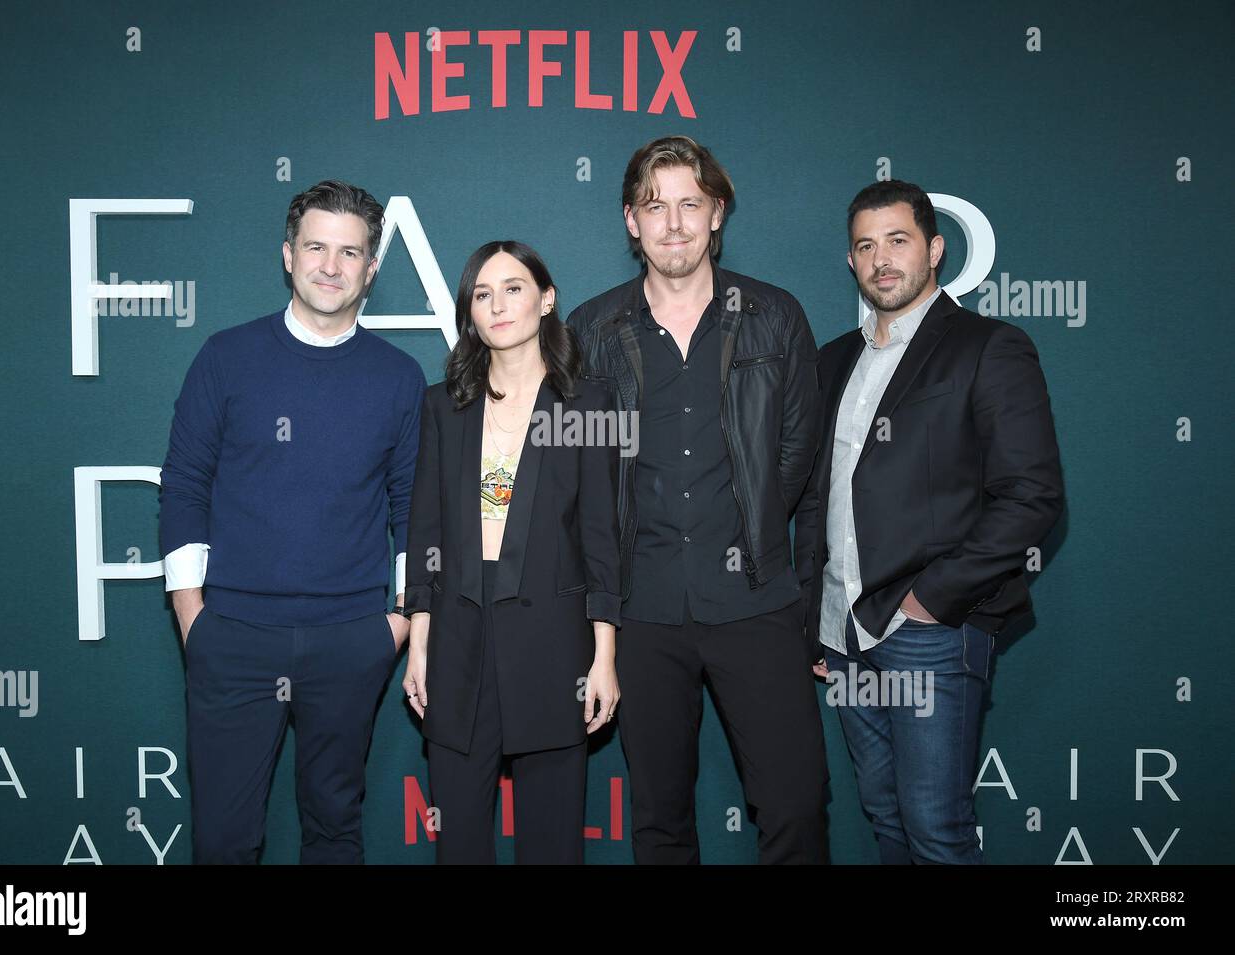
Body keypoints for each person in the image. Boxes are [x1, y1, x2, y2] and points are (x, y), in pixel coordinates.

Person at [567, 135, 828, 864]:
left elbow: (799, 460)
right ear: (630, 219)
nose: (673, 223)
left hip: (756, 600)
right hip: (642, 610)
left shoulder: (775, 316)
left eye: (690, 204)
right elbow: (580, 475)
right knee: (659, 821)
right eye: (655, 206)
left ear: (717, 213)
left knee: (798, 809)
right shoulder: (592, 331)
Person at [798, 179, 1065, 864]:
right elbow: (812, 498)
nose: (882, 259)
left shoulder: (987, 346)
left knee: (936, 828)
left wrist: (930, 601)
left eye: (898, 240)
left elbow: (1033, 496)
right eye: (866, 245)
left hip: (930, 632)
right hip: (845, 631)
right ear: (851, 262)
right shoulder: (832, 361)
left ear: (935, 249)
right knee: (886, 817)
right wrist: (816, 622)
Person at [159, 179, 425, 864]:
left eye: (349, 251)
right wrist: (195, 617)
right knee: (223, 838)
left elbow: (414, 507)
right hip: (235, 636)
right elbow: (184, 486)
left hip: (350, 640)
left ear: (371, 268)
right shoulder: (225, 357)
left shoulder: (398, 378)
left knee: (334, 830)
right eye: (316, 247)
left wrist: (394, 625)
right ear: (288, 254)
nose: (330, 266)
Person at [402, 240, 622, 864]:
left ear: (547, 299)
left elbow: (602, 536)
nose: (498, 305)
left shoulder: (587, 403)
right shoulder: (442, 406)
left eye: (514, 288)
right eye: (482, 293)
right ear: (469, 312)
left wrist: (605, 656)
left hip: (556, 643)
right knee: (461, 845)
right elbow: (425, 534)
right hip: (456, 642)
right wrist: (419, 648)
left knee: (552, 845)